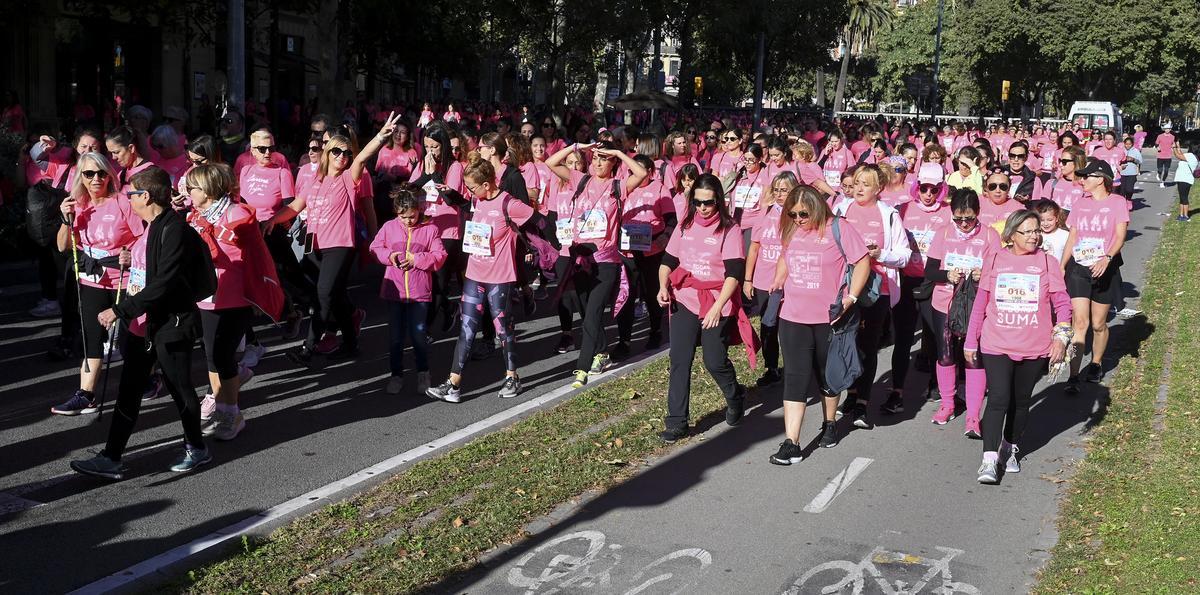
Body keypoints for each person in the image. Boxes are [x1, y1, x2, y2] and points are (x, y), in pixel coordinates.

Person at [69, 166, 215, 479]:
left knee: (180, 390)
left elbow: (165, 282)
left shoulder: (173, 229)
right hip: (143, 325)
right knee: (129, 390)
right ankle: (111, 457)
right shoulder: (151, 227)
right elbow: (147, 268)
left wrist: (120, 310)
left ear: (145, 196)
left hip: (170, 325)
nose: (128, 199)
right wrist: (129, 257)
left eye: (131, 194)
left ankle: (197, 448)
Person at [966, 210, 1074, 484]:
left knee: (1021, 401)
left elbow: (1062, 304)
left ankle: (1009, 447)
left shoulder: (1047, 262)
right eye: (1027, 231)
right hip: (996, 341)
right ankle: (988, 460)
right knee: (999, 398)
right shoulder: (995, 259)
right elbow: (981, 303)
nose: (1034, 236)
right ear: (1011, 235)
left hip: (1034, 345)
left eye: (1037, 230)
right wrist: (971, 340)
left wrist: (1060, 338)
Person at [767, 184, 872, 464]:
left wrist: (851, 297)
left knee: (828, 375)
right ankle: (792, 443)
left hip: (830, 318)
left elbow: (862, 262)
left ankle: (829, 423)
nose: (798, 219)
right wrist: (778, 278)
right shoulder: (791, 229)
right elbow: (785, 257)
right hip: (793, 317)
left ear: (816, 208)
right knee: (795, 377)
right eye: (793, 214)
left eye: (803, 213)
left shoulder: (839, 228)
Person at [269, 116, 387, 363]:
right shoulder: (314, 180)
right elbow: (295, 207)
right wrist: (272, 220)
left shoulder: (348, 178)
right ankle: (352, 341)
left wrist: (380, 136)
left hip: (340, 246)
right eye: (336, 151)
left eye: (346, 152)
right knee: (335, 294)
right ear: (327, 153)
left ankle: (308, 347)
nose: (342, 156)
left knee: (324, 294)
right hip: (315, 245)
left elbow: (363, 157)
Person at [425, 159, 541, 403]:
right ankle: (453, 383)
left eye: (473, 187)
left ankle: (512, 377)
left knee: (503, 329)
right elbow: (468, 204)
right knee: (466, 329)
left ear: (487, 184)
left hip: (499, 278)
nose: (470, 193)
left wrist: (546, 246)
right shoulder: (478, 200)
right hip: (474, 275)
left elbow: (538, 222)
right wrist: (455, 194)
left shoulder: (509, 203)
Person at [545, 141, 647, 387]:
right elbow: (551, 162)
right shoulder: (580, 180)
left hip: (606, 262)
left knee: (592, 315)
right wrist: (577, 146)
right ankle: (602, 353)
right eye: (596, 158)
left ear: (613, 164)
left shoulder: (617, 186)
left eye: (604, 159)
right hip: (579, 259)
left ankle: (582, 369)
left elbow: (641, 173)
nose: (598, 162)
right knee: (584, 311)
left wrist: (619, 152)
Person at [656, 174, 749, 443]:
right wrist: (663, 286)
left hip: (716, 301)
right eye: (697, 202)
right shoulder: (685, 225)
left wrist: (717, 307)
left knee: (714, 361)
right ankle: (677, 422)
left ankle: (736, 396)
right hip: (685, 299)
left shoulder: (729, 229)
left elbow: (733, 273)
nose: (702, 208)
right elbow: (667, 261)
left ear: (718, 200)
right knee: (679, 360)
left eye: (708, 203)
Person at [50, 152, 144, 415]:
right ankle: (86, 395)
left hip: (122, 279)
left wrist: (131, 253)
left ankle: (148, 378)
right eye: (89, 174)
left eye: (101, 173)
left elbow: (143, 237)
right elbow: (62, 247)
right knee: (92, 338)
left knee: (130, 339)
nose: (96, 179)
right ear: (81, 176)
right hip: (90, 278)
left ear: (109, 175)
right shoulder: (76, 205)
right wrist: (65, 219)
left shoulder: (122, 202)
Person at [185, 164, 259, 441]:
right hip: (206, 297)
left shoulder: (237, 213)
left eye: (191, 187)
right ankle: (225, 405)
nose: (187, 192)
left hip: (234, 297)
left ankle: (232, 413)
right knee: (212, 356)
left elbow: (255, 254)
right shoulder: (194, 215)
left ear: (206, 190)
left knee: (223, 356)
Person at [833, 165, 910, 425]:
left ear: (879, 188)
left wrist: (880, 255)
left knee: (867, 346)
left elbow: (904, 255)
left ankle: (863, 404)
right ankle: (851, 394)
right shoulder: (842, 209)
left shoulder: (888, 215)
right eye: (856, 183)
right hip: (846, 286)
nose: (859, 189)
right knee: (847, 343)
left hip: (878, 289)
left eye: (866, 184)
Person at [923, 189, 998, 434]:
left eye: (969, 218)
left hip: (976, 305)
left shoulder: (989, 235)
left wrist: (982, 274)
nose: (964, 224)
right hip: (944, 301)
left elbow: (999, 270)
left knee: (972, 356)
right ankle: (947, 404)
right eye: (958, 219)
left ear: (978, 214)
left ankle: (973, 416)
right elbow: (930, 271)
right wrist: (947, 275)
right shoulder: (943, 232)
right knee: (945, 355)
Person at [370, 187, 447, 395]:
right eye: (403, 217)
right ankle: (396, 374)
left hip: (419, 292)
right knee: (395, 337)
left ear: (419, 210)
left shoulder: (430, 229)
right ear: (397, 214)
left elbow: (440, 255)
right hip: (394, 292)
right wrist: (391, 256)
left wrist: (417, 260)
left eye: (412, 216)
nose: (408, 221)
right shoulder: (388, 227)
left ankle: (423, 372)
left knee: (418, 334)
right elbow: (375, 248)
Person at [1062, 159, 1128, 393]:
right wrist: (1062, 266)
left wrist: (1107, 258)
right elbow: (1072, 237)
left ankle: (1096, 363)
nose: (1082, 180)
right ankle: (1072, 377)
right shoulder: (1080, 204)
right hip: (1079, 268)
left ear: (1100, 179)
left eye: (1086, 176)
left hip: (1105, 269)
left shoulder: (1118, 203)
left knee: (1098, 324)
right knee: (1080, 322)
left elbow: (1120, 237)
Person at [896, 164, 951, 405]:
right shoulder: (903, 209)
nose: (928, 194)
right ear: (916, 187)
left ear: (941, 189)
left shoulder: (948, 212)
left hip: (934, 281)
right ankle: (896, 390)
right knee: (904, 337)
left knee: (936, 334)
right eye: (924, 188)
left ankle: (935, 384)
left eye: (934, 189)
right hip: (907, 279)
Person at [614, 154, 676, 357]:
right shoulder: (625, 188)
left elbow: (672, 221)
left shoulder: (659, 188)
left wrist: (664, 238)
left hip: (652, 251)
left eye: (642, 172)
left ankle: (655, 331)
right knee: (626, 296)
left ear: (651, 172)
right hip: (628, 250)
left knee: (651, 294)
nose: (637, 176)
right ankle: (624, 341)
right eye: (632, 172)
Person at [409, 124, 468, 333]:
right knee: (426, 281)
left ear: (443, 146)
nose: (430, 152)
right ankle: (448, 306)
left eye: (434, 147)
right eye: (426, 147)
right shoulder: (421, 164)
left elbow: (449, 199)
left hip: (447, 231)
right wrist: (424, 175)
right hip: (424, 228)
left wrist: (434, 175)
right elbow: (410, 192)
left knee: (440, 281)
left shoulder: (455, 167)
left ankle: (423, 329)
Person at [744, 171, 798, 388]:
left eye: (784, 190)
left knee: (780, 323)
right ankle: (772, 368)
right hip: (763, 279)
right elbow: (754, 247)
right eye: (776, 190)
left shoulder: (798, 215)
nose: (779, 194)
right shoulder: (764, 214)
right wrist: (747, 279)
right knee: (767, 324)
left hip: (788, 280)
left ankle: (795, 366)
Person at [106, 126, 155, 194]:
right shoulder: (121, 174)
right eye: (110, 153)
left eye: (116, 152)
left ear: (131, 148)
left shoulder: (151, 173)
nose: (113, 157)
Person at [1043, 145, 1087, 212]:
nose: (1060, 164)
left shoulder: (1086, 187)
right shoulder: (1051, 183)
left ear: (1076, 162)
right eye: (1060, 160)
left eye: (1064, 162)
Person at [1171, 141, 1196, 222]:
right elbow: (1182, 155)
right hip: (1185, 179)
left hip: (1184, 179)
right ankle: (1181, 215)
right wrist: (1178, 147)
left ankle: (1185, 216)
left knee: (1184, 198)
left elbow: (1178, 156)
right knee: (1182, 198)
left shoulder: (1190, 156)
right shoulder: (1193, 157)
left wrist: (1174, 148)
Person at [1119, 136, 1142, 201]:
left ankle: (1128, 199)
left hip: (1132, 173)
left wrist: (1133, 159)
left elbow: (1140, 161)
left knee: (1129, 189)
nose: (1128, 145)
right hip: (1122, 173)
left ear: (1132, 144)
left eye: (1129, 144)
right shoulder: (1121, 150)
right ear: (1124, 144)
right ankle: (1123, 204)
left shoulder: (1136, 151)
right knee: (1122, 190)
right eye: (1126, 144)